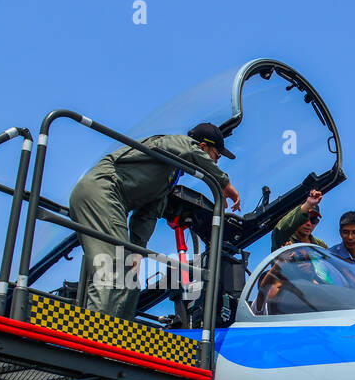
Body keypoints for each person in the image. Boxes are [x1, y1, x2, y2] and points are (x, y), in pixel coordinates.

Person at [69, 122, 240, 320]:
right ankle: (94, 339)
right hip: (102, 192)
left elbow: (146, 215)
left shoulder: (166, 176)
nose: (215, 163)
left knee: (130, 281)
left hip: (109, 201)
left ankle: (118, 337)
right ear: (203, 147)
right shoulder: (172, 143)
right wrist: (224, 183)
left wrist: (137, 251)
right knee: (113, 270)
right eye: (215, 156)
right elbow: (188, 149)